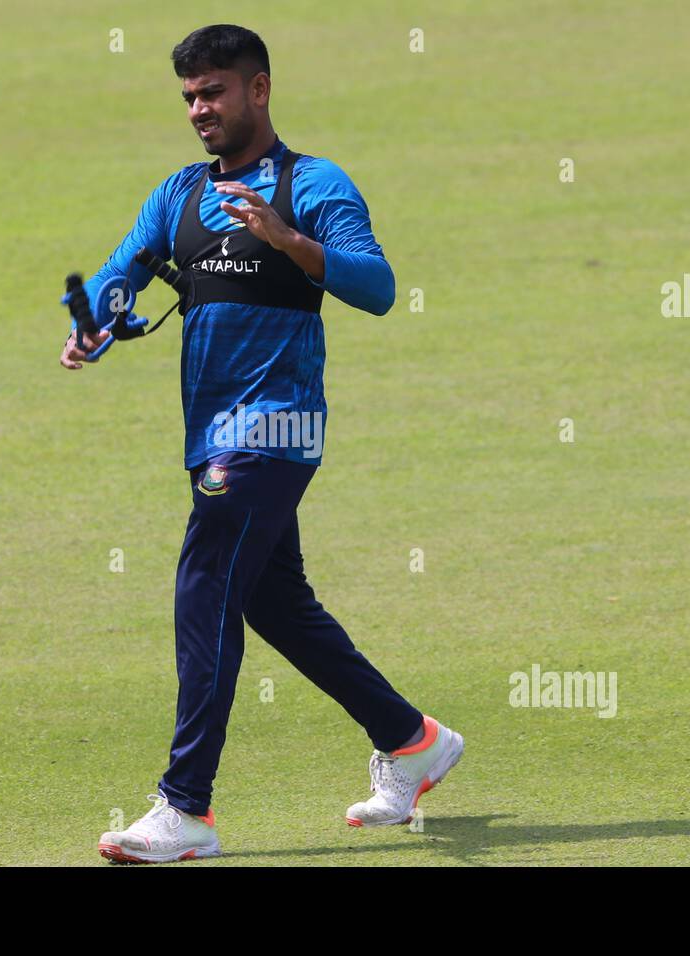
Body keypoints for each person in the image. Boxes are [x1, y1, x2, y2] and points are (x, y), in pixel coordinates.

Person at [62, 23, 463, 864]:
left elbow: (380, 288)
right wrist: (99, 316)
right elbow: (121, 269)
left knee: (205, 586)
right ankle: (412, 739)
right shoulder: (177, 195)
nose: (200, 110)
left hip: (277, 426)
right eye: (189, 97)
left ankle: (185, 809)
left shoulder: (312, 185)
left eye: (214, 92)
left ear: (260, 89)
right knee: (276, 603)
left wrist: (290, 242)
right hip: (213, 433)